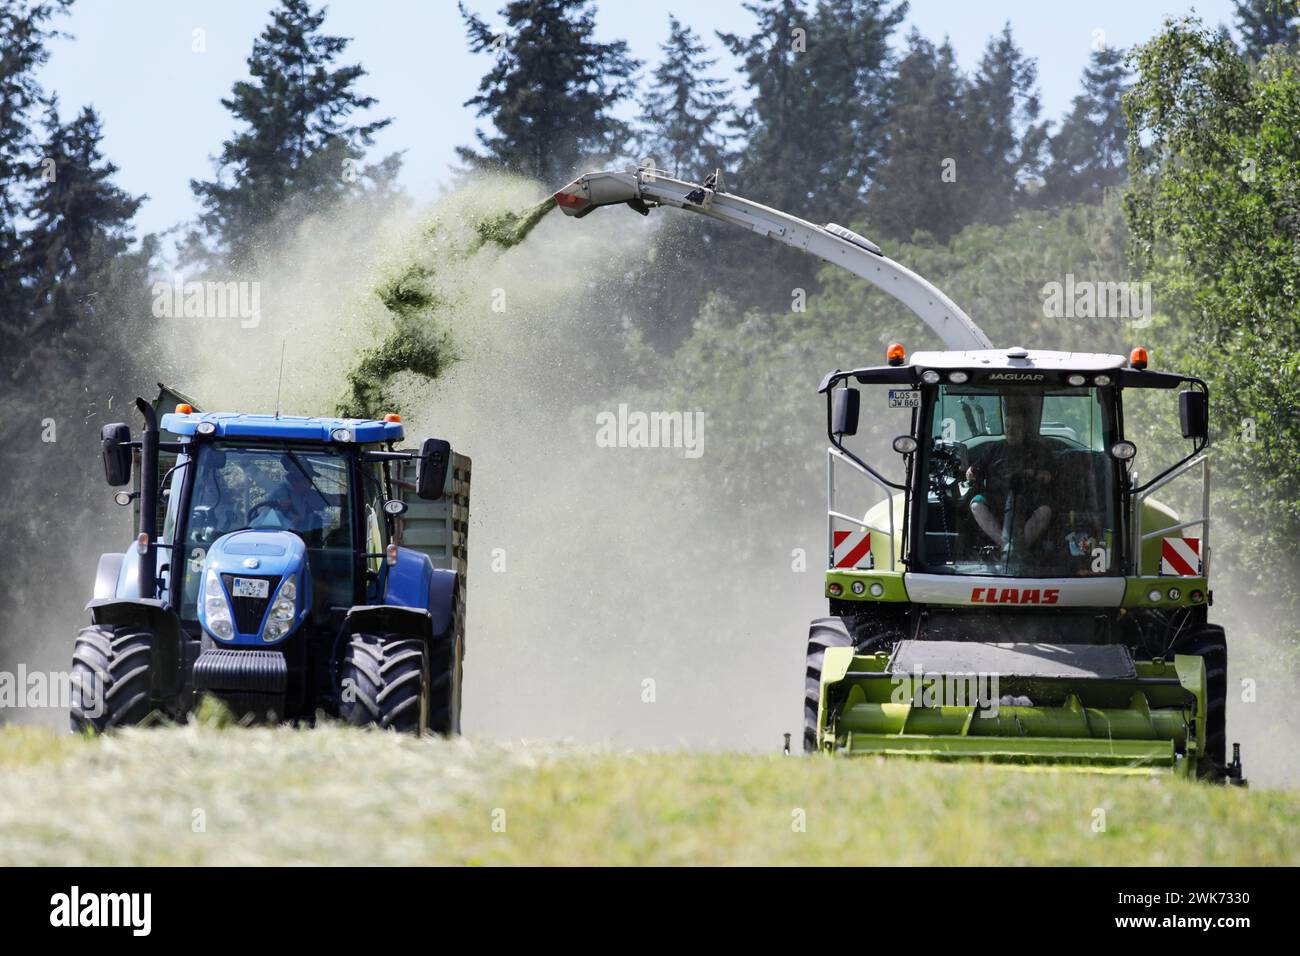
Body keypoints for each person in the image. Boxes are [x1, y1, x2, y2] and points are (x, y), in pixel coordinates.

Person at [967, 395, 1056, 554]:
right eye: (1007, 426)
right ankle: (1005, 547)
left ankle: (1018, 550)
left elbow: (1048, 476)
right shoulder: (993, 449)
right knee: (976, 505)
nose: (1010, 430)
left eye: (1015, 426)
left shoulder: (1038, 449)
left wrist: (1032, 473)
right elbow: (972, 472)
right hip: (996, 499)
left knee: (1046, 511)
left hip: (1029, 498)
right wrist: (971, 473)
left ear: (1024, 428)